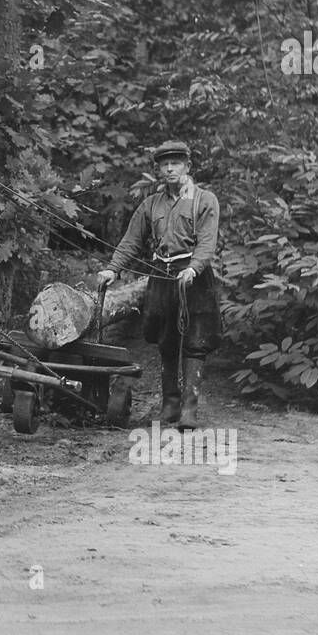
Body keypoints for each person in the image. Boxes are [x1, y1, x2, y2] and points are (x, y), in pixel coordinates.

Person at [95, 141, 221, 428]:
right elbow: (132, 240)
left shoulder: (204, 200)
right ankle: (170, 404)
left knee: (195, 341)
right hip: (162, 277)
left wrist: (194, 268)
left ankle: (189, 409)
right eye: (164, 164)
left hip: (193, 278)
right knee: (166, 341)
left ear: (187, 166)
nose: (170, 168)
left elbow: (207, 241)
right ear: (158, 170)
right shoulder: (151, 204)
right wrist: (113, 269)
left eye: (176, 162)